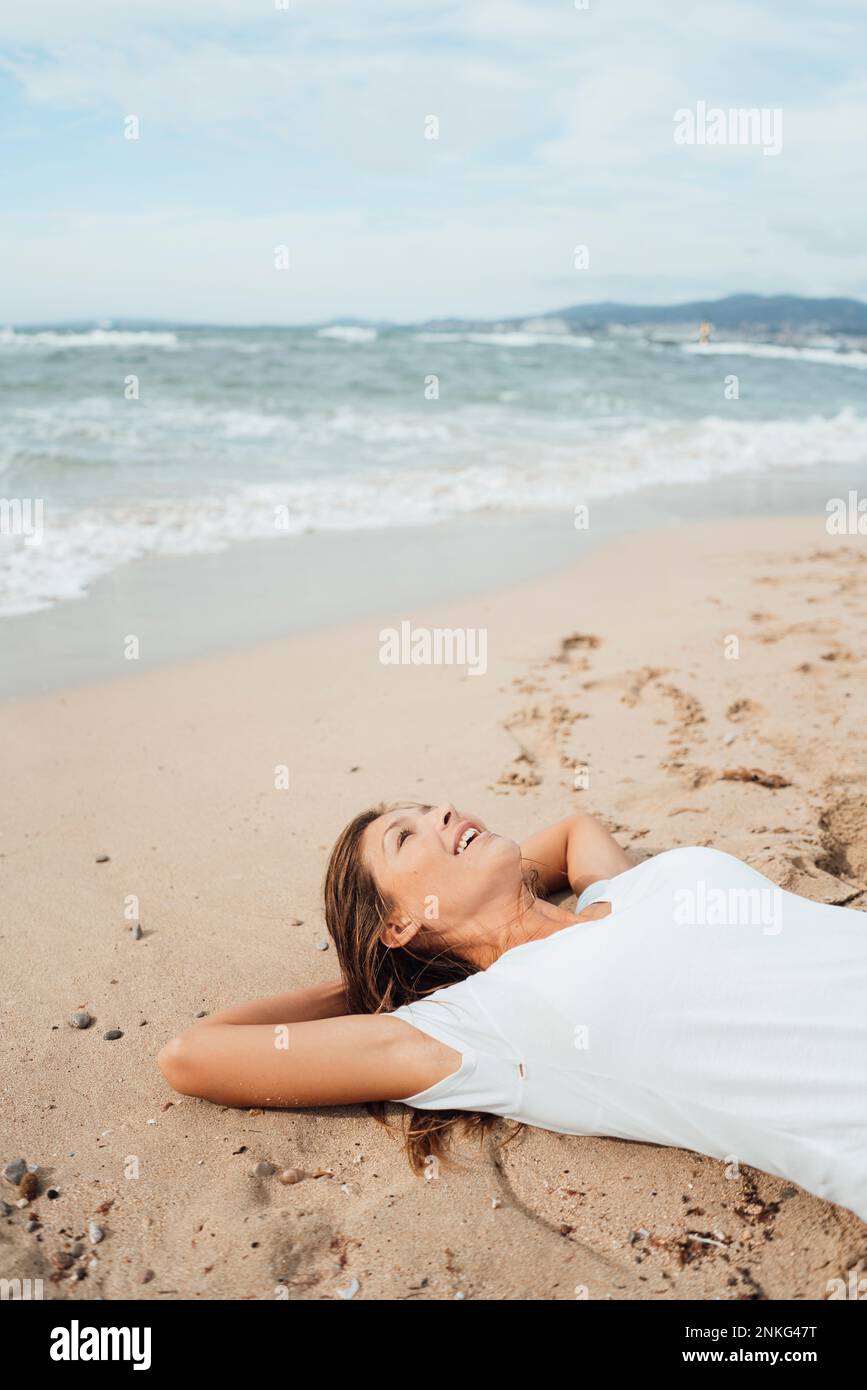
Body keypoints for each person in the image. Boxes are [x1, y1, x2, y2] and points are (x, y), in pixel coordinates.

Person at [158, 803, 867, 1223]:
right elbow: (191, 1055)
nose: (438, 814)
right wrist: (381, 979)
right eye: (404, 838)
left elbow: (571, 831)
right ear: (396, 924)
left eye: (429, 808)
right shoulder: (482, 1026)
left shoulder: (619, 891)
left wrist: (485, 891)